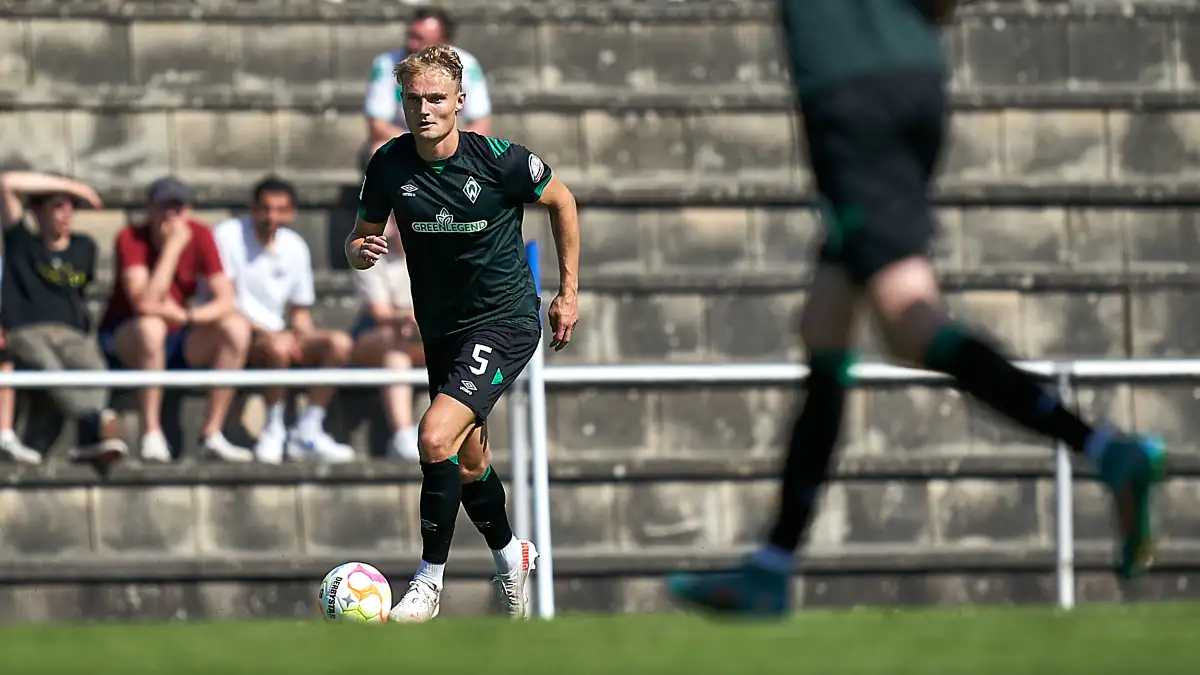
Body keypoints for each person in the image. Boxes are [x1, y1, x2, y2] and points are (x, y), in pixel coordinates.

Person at [666, 0, 1166, 616]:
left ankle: (1106, 450)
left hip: (848, 98)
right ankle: (772, 565)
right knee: (825, 322)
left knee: (908, 319)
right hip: (915, 78)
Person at [346, 44, 580, 621]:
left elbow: (563, 202)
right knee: (468, 460)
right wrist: (361, 250)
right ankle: (510, 555)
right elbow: (358, 240)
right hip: (443, 331)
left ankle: (428, 583)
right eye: (412, 98)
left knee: (432, 437)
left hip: (505, 320)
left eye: (435, 98)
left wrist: (567, 293)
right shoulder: (389, 164)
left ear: (459, 101)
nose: (424, 109)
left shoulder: (500, 160)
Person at [98, 177, 254, 463]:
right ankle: (151, 433)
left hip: (178, 332)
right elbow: (144, 303)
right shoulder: (130, 238)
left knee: (236, 328)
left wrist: (187, 316)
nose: (172, 216)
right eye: (165, 208)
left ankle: (212, 433)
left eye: (178, 208)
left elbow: (225, 300)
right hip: (127, 337)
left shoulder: (201, 234)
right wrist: (172, 249)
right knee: (151, 328)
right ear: (150, 210)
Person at [212, 178, 356, 465]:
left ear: (291, 213)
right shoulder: (227, 235)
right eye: (265, 209)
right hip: (237, 333)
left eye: (280, 210)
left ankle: (309, 429)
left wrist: (300, 335)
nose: (271, 217)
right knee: (277, 346)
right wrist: (272, 334)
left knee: (339, 344)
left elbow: (299, 311)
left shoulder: (295, 246)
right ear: (252, 209)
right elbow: (224, 301)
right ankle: (273, 428)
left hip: (278, 332)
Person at [0, 171, 128, 465]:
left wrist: (66, 194)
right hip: (26, 330)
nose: (67, 213)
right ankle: (99, 420)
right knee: (49, 367)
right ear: (37, 210)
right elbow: (7, 183)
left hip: (72, 333)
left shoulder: (85, 247)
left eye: (71, 206)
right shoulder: (21, 241)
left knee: (93, 367)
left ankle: (90, 431)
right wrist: (75, 187)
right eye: (58, 205)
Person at [361, 5, 492, 166]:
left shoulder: (468, 65)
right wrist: (421, 144)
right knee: (378, 150)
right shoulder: (386, 64)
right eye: (411, 36)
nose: (412, 44)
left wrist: (449, 146)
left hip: (452, 145)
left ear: (444, 43)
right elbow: (378, 126)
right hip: (403, 143)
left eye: (420, 38)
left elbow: (481, 124)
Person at [349, 217, 423, 461]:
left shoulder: (440, 257)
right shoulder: (371, 254)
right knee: (395, 347)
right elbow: (380, 313)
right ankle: (402, 434)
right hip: (374, 338)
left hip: (420, 338)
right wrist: (410, 318)